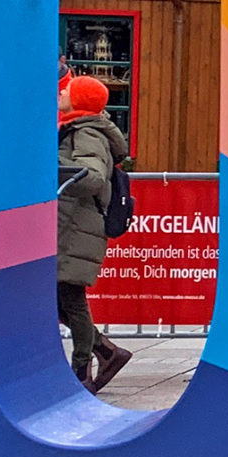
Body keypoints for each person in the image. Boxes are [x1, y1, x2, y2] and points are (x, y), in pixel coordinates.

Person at [56, 74, 131, 394]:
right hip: (71, 226)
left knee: (69, 298)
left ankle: (82, 370)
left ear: (80, 101)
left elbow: (92, 179)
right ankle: (106, 352)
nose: (61, 92)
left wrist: (50, 161)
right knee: (59, 299)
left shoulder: (87, 133)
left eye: (67, 91)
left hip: (76, 228)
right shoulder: (78, 129)